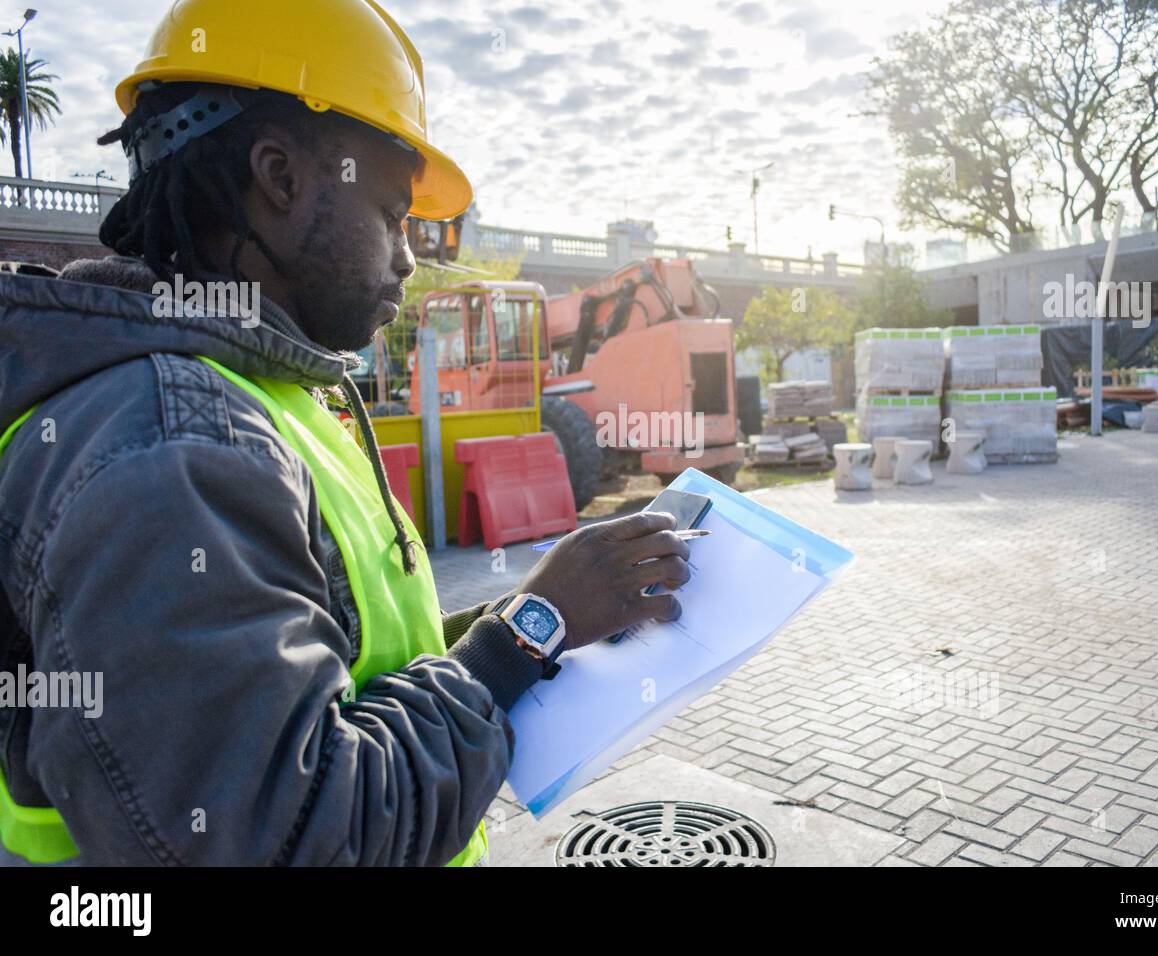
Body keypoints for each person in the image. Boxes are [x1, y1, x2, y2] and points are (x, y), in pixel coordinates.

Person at [0, 0, 689, 866]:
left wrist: (520, 618)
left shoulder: (261, 400)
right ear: (282, 178)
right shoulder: (172, 447)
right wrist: (528, 635)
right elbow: (290, 840)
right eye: (396, 216)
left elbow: (338, 664)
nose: (408, 258)